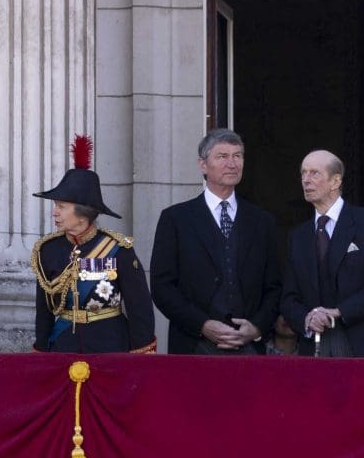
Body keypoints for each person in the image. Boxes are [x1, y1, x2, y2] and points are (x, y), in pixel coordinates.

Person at [149, 127, 282, 355]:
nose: (232, 164)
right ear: (203, 165)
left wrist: (256, 327)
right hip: (193, 346)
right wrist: (202, 325)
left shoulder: (262, 221)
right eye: (222, 156)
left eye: (237, 156)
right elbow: (162, 287)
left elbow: (275, 286)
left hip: (250, 348)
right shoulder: (176, 219)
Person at [31, 138, 154, 353]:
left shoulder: (118, 250)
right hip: (63, 345)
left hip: (110, 346)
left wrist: (140, 356)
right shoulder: (47, 250)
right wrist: (42, 352)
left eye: (62, 206)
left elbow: (139, 308)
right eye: (56, 206)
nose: (54, 212)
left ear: (83, 213)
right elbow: (44, 311)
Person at [280, 148, 364, 357]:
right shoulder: (298, 237)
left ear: (335, 181)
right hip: (313, 348)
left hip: (360, 346)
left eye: (314, 173)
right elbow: (289, 298)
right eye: (303, 173)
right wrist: (307, 318)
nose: (306, 180)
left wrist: (338, 312)